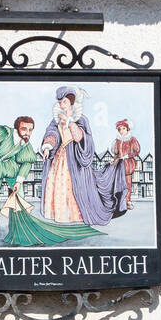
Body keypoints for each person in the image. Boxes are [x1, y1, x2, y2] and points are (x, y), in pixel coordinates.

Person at [37, 86, 128, 227]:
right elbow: (52, 132)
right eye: (60, 102)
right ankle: (58, 215)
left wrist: (71, 124)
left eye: (65, 102)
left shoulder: (81, 119)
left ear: (71, 102)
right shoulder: (56, 119)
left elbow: (85, 139)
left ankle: (76, 216)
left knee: (74, 186)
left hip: (75, 158)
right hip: (60, 156)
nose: (62, 105)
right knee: (57, 184)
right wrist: (48, 146)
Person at [109, 119, 142, 207]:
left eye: (123, 128)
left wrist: (128, 155)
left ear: (127, 129)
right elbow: (116, 153)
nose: (121, 131)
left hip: (128, 164)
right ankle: (117, 201)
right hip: (118, 163)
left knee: (127, 183)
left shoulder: (132, 139)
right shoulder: (117, 141)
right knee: (117, 182)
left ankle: (128, 201)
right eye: (119, 129)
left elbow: (137, 151)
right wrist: (113, 160)